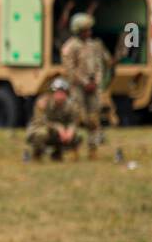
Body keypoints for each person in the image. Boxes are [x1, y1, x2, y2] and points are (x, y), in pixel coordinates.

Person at [60, 12, 108, 159]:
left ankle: (93, 149)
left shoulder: (93, 46)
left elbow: (100, 65)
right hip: (77, 88)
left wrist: (96, 82)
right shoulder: (69, 47)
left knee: (94, 118)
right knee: (77, 118)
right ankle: (74, 150)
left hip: (93, 87)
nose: (90, 32)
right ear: (78, 31)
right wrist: (85, 82)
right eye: (86, 30)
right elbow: (70, 69)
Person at [25, 77, 81, 161]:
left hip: (59, 132)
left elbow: (73, 120)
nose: (60, 95)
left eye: (62, 93)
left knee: (76, 135)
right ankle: (37, 154)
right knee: (41, 133)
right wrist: (58, 127)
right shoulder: (43, 103)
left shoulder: (70, 106)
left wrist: (70, 130)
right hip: (41, 129)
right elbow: (41, 121)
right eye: (58, 92)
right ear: (52, 93)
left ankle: (58, 153)